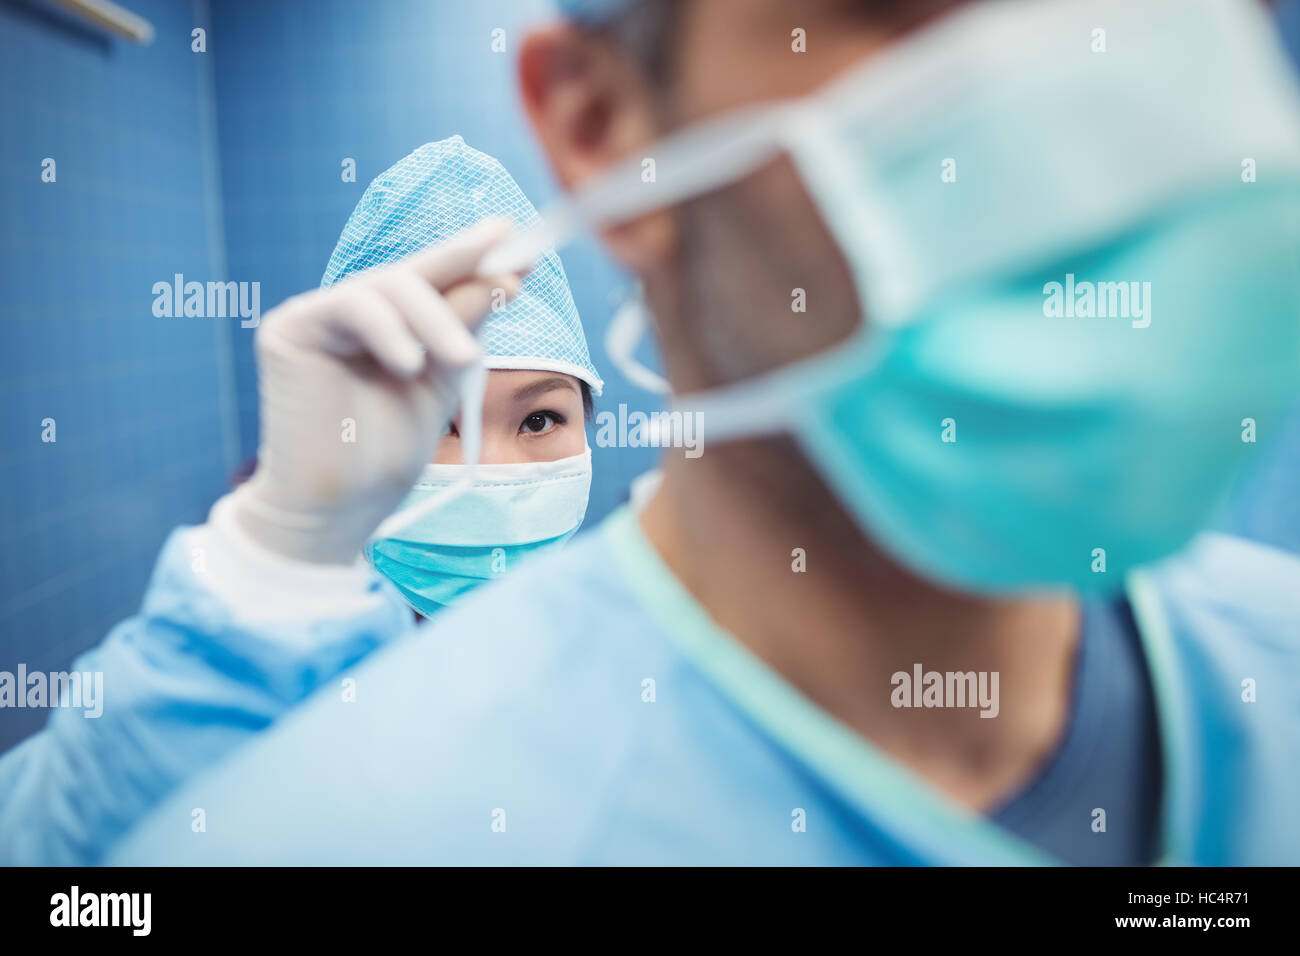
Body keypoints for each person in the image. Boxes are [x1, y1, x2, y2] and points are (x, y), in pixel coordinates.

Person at [82, 0, 1300, 865]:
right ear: (606, 127)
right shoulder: (344, 824)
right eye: (908, 7)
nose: (1092, 119)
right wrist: (276, 557)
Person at [0, 140, 600, 863]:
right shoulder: (256, 683)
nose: (493, 470)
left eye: (540, 419)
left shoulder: (629, 674)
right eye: (443, 421)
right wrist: (273, 563)